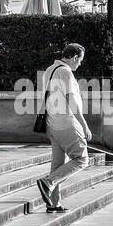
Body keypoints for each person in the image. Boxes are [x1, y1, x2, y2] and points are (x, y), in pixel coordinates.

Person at [36, 44, 92, 213]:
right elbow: (72, 102)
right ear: (74, 57)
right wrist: (85, 126)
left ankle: (53, 203)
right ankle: (48, 183)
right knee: (82, 159)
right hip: (67, 123)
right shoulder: (66, 72)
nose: (80, 64)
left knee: (58, 164)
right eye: (80, 60)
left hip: (51, 124)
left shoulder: (50, 69)